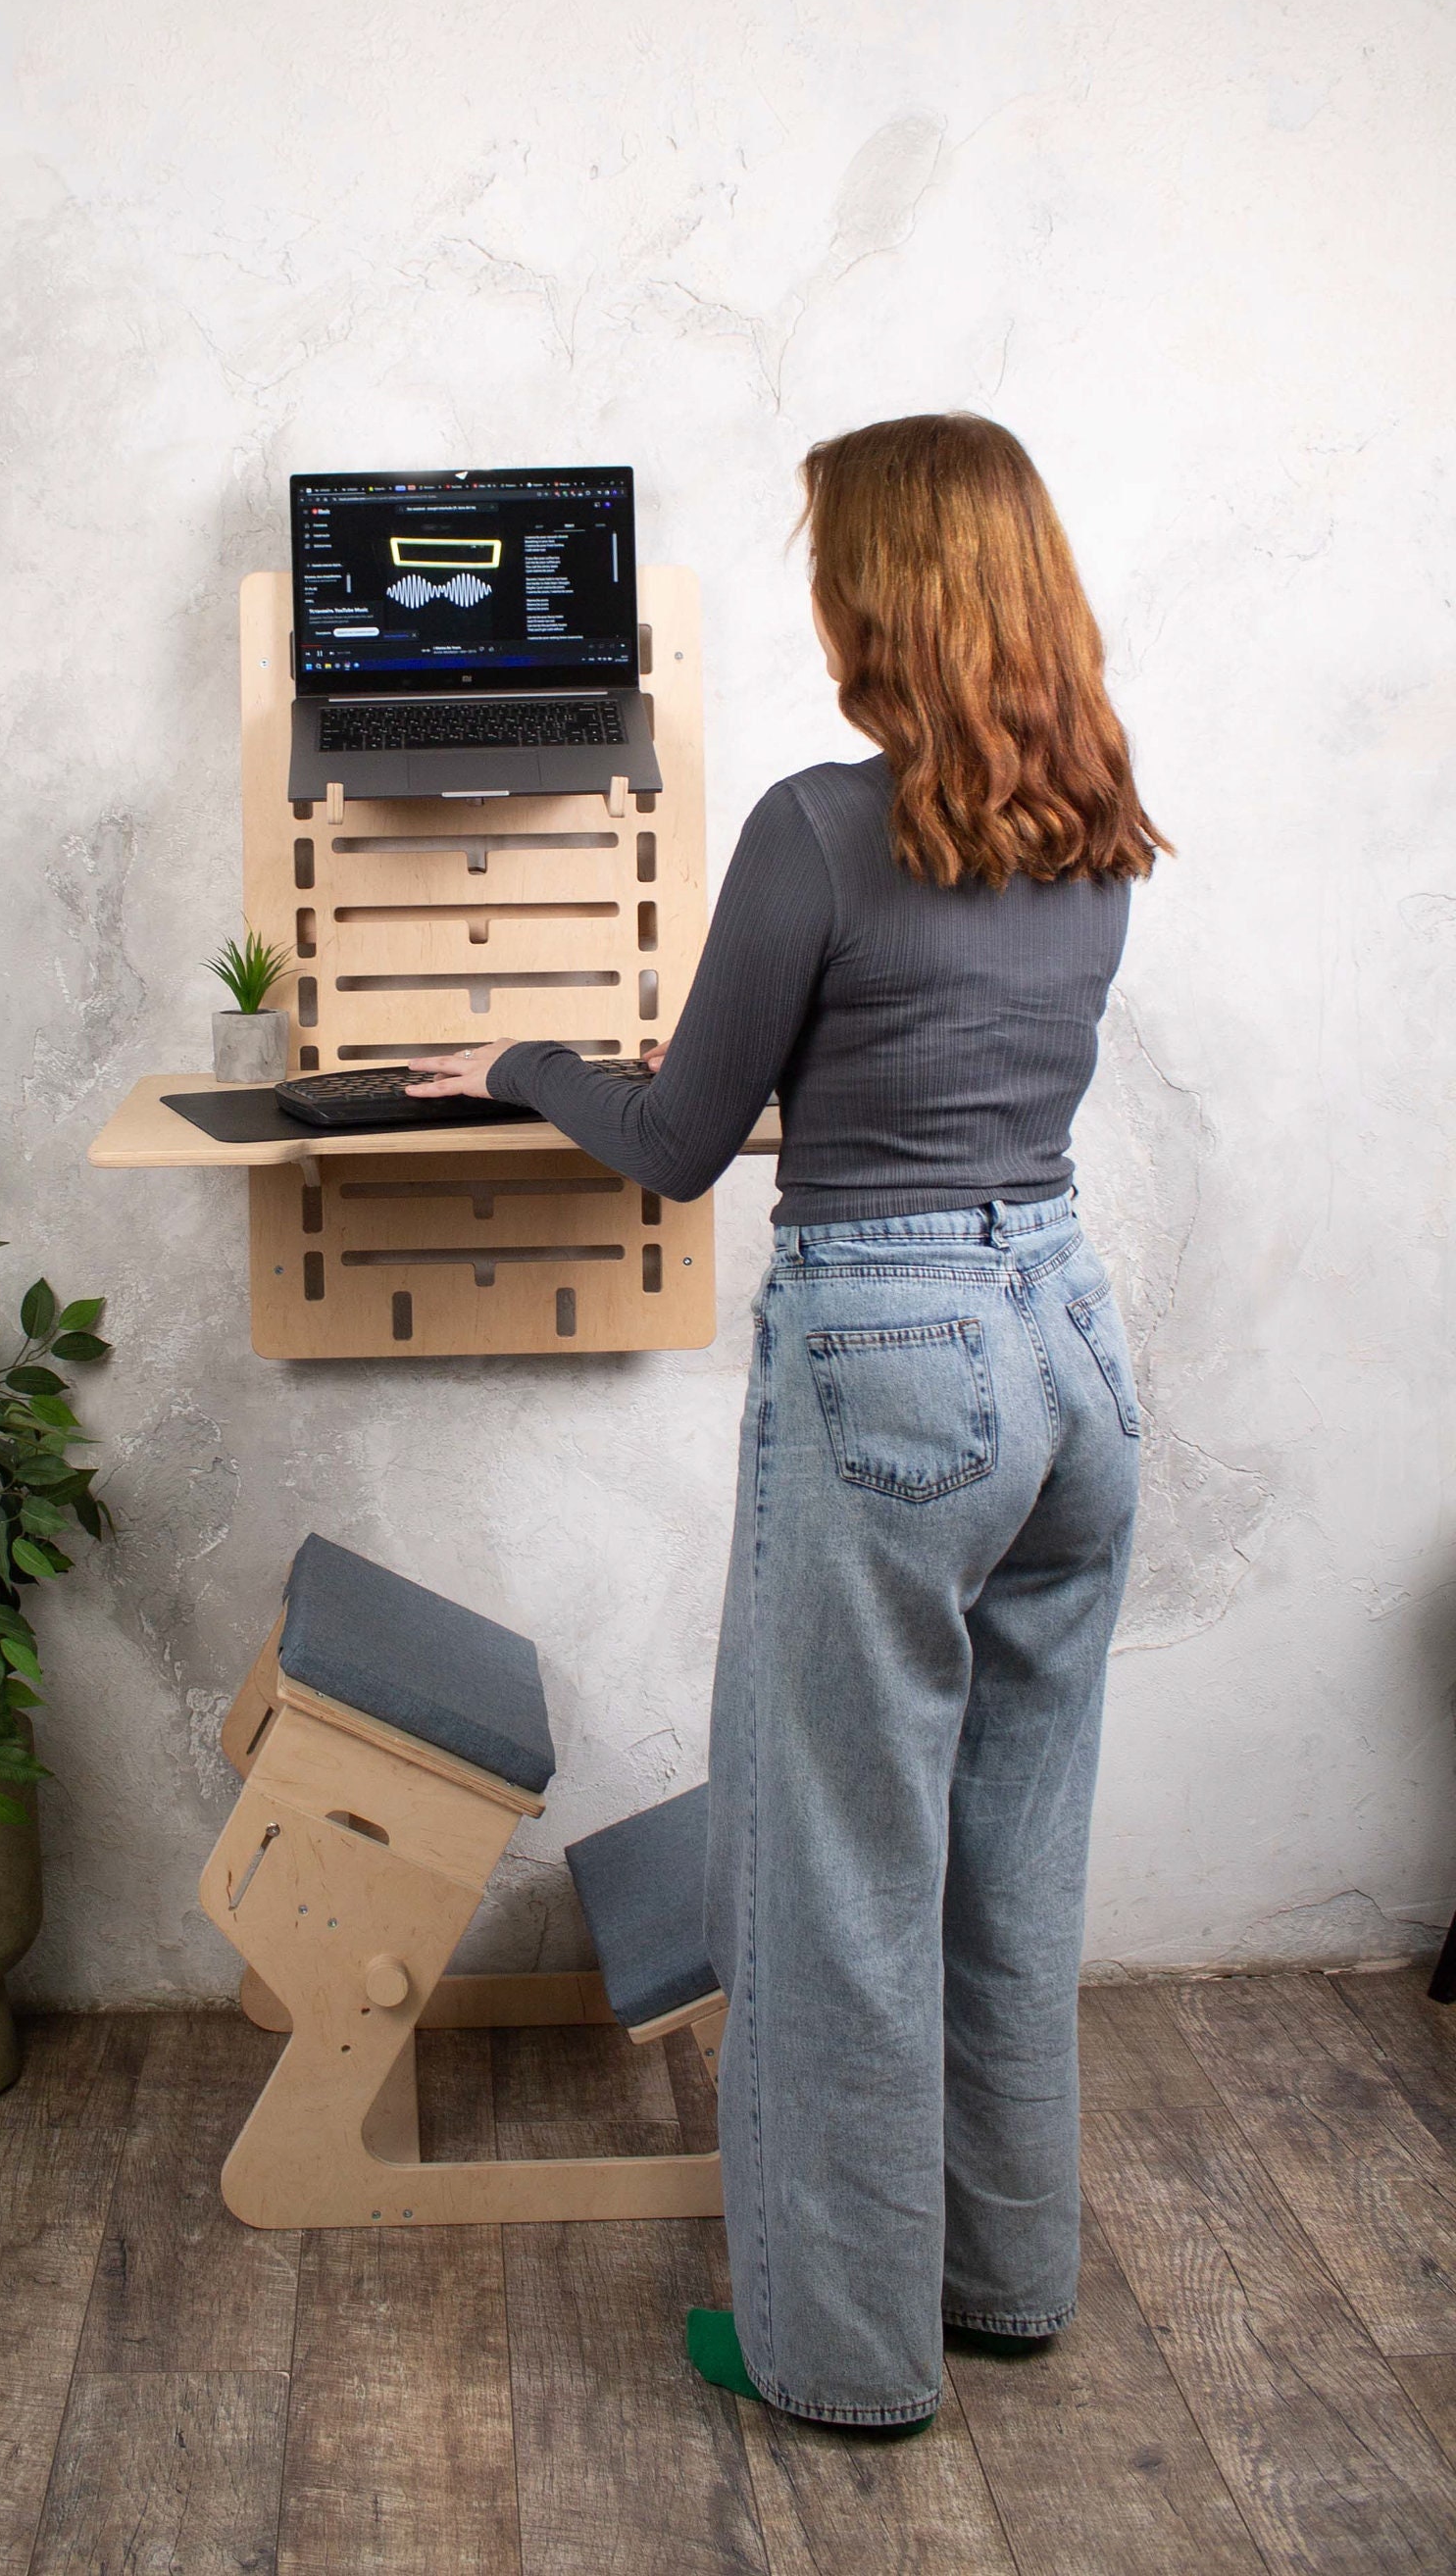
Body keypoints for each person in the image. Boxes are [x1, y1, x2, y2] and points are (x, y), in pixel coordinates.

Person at [406, 413, 1167, 2436]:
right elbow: (931, 1057)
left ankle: (835, 2354)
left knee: (831, 1876)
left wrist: (525, 1057)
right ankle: (1000, 2284)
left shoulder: (821, 831)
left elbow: (669, 1145)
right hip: (1070, 1352)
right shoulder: (1091, 819)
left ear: (876, 596)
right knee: (1008, 1858)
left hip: (897, 1363)